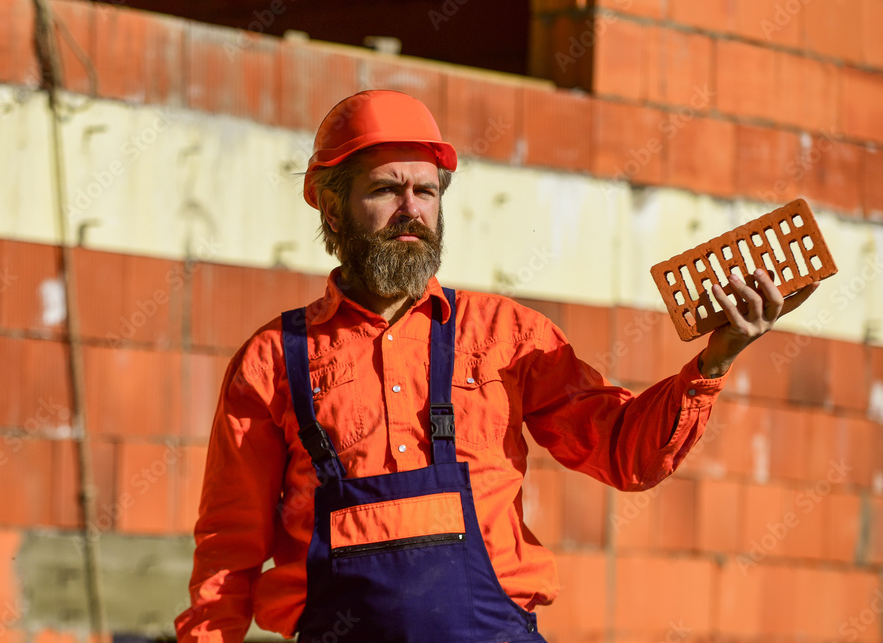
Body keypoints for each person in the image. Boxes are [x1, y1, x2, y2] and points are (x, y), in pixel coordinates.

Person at [175, 90, 817, 643]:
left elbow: (625, 453)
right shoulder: (272, 360)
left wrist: (716, 357)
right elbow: (228, 553)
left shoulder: (507, 336)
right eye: (385, 189)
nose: (412, 210)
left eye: (426, 190)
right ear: (332, 207)